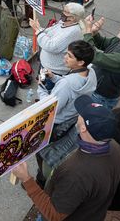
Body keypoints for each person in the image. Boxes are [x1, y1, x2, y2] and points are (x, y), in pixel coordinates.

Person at [34, 41, 98, 183]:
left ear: (81, 62)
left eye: (69, 56)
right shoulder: (90, 73)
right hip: (71, 119)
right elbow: (71, 84)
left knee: (41, 152)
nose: (64, 57)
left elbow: (51, 108)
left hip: (56, 124)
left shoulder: (67, 84)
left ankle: (41, 180)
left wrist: (41, 89)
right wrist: (54, 77)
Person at [30, 3, 85, 76]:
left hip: (53, 71)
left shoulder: (73, 31)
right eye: (63, 10)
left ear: (73, 18)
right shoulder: (63, 23)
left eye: (66, 12)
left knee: (45, 87)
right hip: (46, 65)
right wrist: (39, 28)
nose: (62, 13)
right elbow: (49, 31)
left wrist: (38, 31)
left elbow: (51, 46)